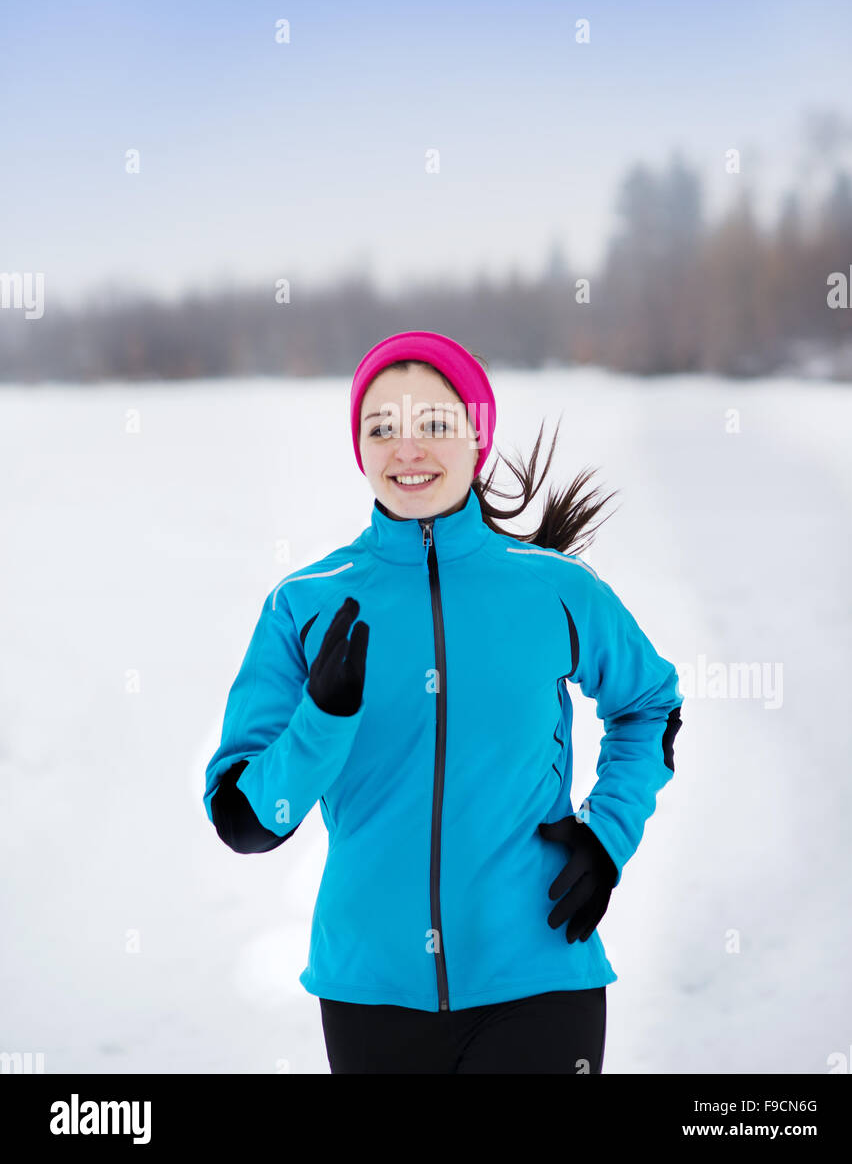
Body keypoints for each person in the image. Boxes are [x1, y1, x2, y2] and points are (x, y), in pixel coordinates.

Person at [202, 329, 683, 1074]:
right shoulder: (302, 604)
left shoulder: (554, 588)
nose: (407, 449)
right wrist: (319, 722)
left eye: (433, 425)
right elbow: (247, 820)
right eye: (381, 428)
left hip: (538, 974)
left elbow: (650, 705)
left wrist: (607, 837)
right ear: (358, 449)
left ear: (475, 436)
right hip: (370, 993)